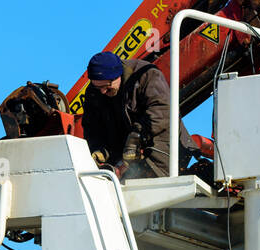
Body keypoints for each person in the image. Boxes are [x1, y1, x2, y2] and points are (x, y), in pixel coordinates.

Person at [81, 51, 194, 179]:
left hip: (162, 150)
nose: (102, 92)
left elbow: (162, 110)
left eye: (107, 87)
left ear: (117, 75)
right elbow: (91, 127)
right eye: (98, 88)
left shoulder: (146, 75)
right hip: (123, 155)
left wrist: (137, 136)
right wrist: (98, 149)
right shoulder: (93, 92)